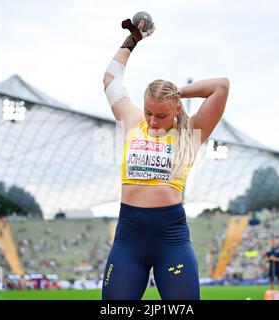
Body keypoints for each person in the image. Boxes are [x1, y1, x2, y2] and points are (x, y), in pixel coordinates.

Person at [101, 16, 230, 300]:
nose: (153, 120)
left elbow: (221, 86)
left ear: (176, 110)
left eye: (161, 114)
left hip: (170, 240)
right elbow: (111, 78)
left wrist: (175, 92)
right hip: (128, 239)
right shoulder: (133, 121)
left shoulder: (190, 133)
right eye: (149, 112)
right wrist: (132, 40)